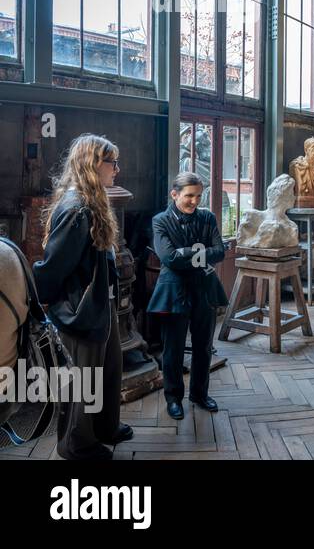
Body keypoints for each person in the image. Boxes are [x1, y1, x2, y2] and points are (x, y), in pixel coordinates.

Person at [33, 134, 130, 460]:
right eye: (111, 162)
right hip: (80, 310)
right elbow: (53, 266)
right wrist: (43, 303)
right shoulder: (77, 209)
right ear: (92, 165)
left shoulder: (94, 200)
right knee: (82, 380)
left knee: (110, 367)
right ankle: (76, 444)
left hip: (103, 303)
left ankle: (105, 427)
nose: (117, 169)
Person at [148, 172, 227, 421]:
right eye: (189, 196)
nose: (194, 201)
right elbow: (168, 257)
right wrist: (200, 253)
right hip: (174, 290)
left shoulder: (207, 217)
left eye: (198, 196)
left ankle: (200, 395)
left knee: (204, 346)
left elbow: (220, 252)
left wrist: (186, 254)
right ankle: (173, 399)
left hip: (205, 289)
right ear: (175, 194)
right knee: (173, 349)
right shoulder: (160, 220)